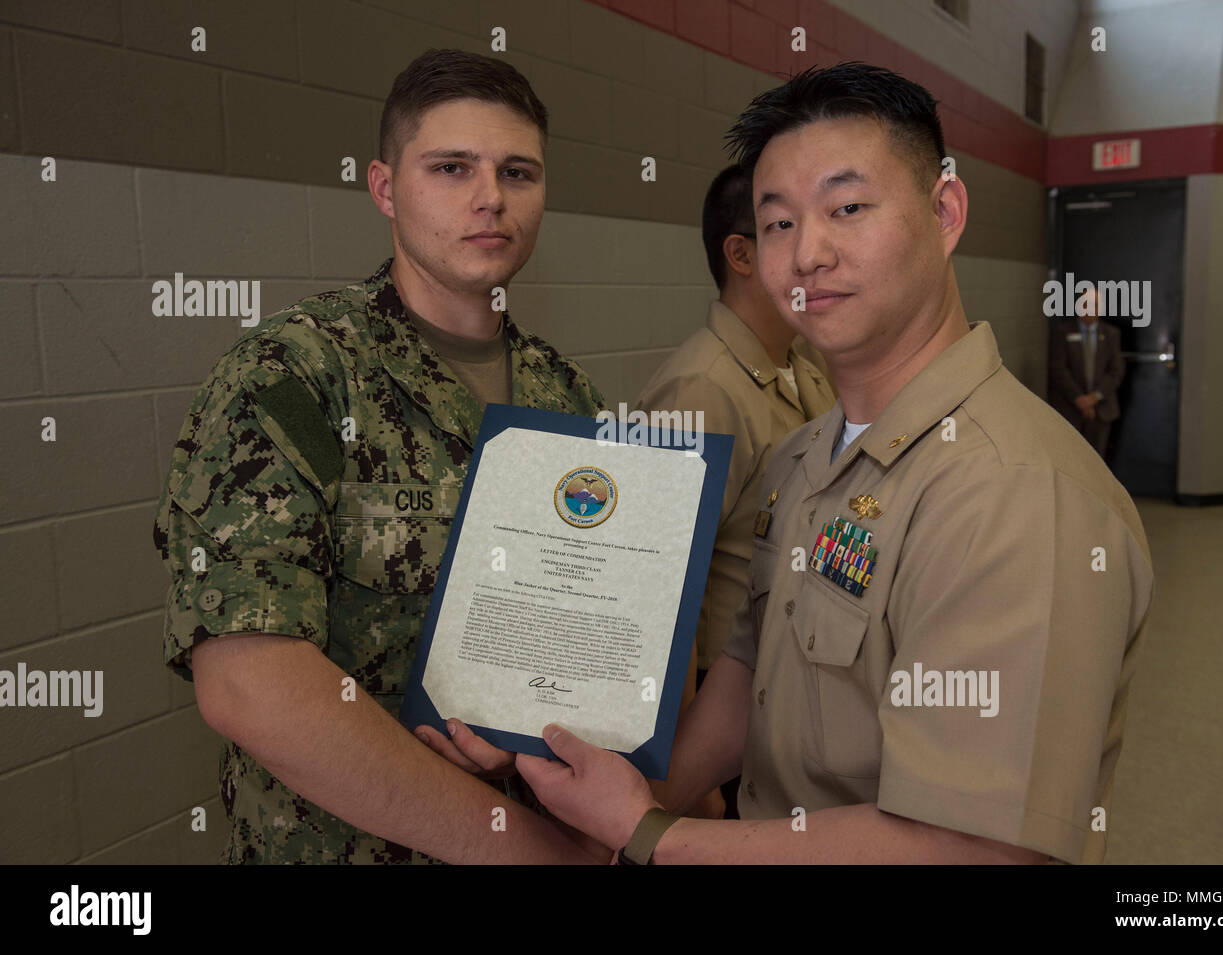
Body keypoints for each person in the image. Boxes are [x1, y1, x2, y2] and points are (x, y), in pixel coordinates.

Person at [484, 63, 1154, 864]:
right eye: (779, 224)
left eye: (848, 208)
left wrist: (650, 832)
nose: (809, 254)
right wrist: (620, 797)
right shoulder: (807, 454)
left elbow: (979, 848)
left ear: (944, 213)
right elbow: (747, 670)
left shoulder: (1016, 494)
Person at [153, 49, 609, 864]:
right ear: (385, 188)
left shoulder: (565, 395)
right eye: (451, 167)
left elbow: (583, 634)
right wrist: (525, 850)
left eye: (518, 172)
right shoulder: (295, 377)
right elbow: (248, 680)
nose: (490, 198)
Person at [635, 163, 837, 818]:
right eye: (785, 228)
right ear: (741, 253)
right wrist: (681, 782)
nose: (815, 254)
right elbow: (657, 602)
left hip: (787, 710)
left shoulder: (804, 370)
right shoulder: (701, 390)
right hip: (721, 729)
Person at [1049, 287, 1126, 461]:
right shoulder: (1063, 332)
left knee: (1097, 461)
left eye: (1095, 305)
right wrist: (1079, 399)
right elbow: (1058, 369)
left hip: (1102, 409)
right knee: (1070, 459)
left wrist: (1094, 398)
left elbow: (1116, 371)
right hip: (1069, 409)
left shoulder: (1111, 334)